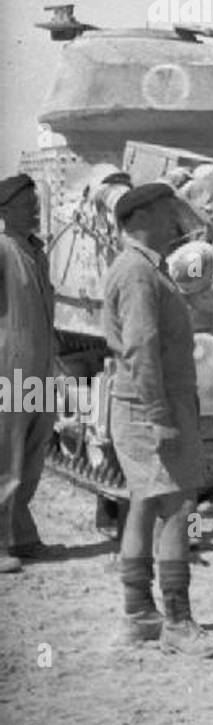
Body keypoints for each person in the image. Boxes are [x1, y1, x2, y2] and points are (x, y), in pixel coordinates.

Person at [102, 181, 213, 655]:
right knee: (178, 510)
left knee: (142, 503)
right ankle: (177, 623)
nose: (175, 218)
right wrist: (161, 417)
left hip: (139, 404)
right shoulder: (139, 273)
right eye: (166, 210)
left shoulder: (139, 267)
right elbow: (141, 348)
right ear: (144, 218)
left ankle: (139, 613)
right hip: (151, 406)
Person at [0, 173, 56, 573]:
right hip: (11, 367)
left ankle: (21, 532)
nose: (35, 210)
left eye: (36, 204)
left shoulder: (36, 251)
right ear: (5, 212)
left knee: (33, 450)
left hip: (39, 366)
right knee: (7, 453)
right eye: (26, 205)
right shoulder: (3, 249)